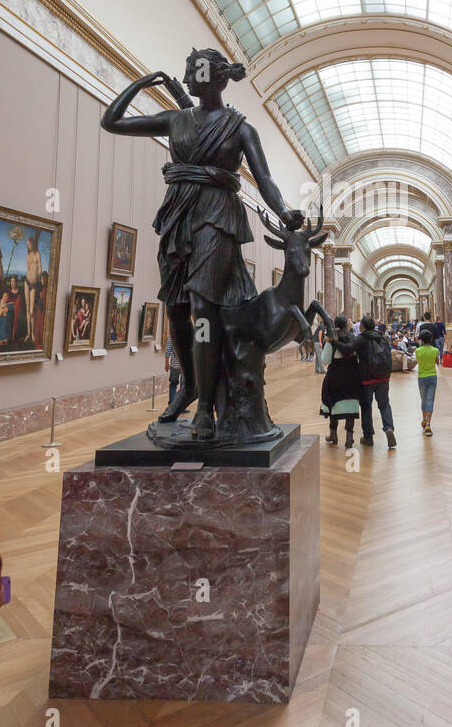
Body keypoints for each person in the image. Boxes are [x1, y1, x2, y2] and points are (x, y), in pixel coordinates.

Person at [101, 47, 304, 440]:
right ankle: (190, 386)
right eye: (188, 71)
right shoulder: (176, 120)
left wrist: (284, 213)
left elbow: (264, 181)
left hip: (218, 216)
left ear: (217, 77)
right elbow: (112, 122)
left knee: (202, 307)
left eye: (196, 71)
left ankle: (206, 410)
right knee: (176, 308)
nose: (189, 78)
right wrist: (143, 83)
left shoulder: (240, 128)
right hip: (179, 215)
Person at [354, 315, 396, 449]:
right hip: (383, 377)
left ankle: (368, 437)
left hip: (366, 378)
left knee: (366, 407)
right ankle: (388, 428)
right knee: (384, 404)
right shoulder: (382, 337)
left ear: (363, 326)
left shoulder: (361, 339)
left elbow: (350, 350)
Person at [320, 316, 361, 447]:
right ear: (347, 325)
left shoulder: (331, 339)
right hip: (352, 376)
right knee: (351, 406)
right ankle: (349, 437)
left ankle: (333, 434)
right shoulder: (353, 338)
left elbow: (325, 360)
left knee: (334, 404)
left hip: (335, 377)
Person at [415, 328, 439, 436]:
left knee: (423, 399)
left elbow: (419, 361)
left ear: (422, 340)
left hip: (422, 377)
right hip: (432, 377)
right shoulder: (435, 350)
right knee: (430, 400)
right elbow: (437, 362)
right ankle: (428, 424)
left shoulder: (418, 351)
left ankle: (424, 419)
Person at [165, 335, 181, 406]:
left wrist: (166, 363)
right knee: (184, 386)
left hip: (174, 365)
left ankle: (172, 404)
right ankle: (180, 405)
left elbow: (167, 350)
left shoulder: (172, 335)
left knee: (173, 384)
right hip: (185, 365)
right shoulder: (187, 334)